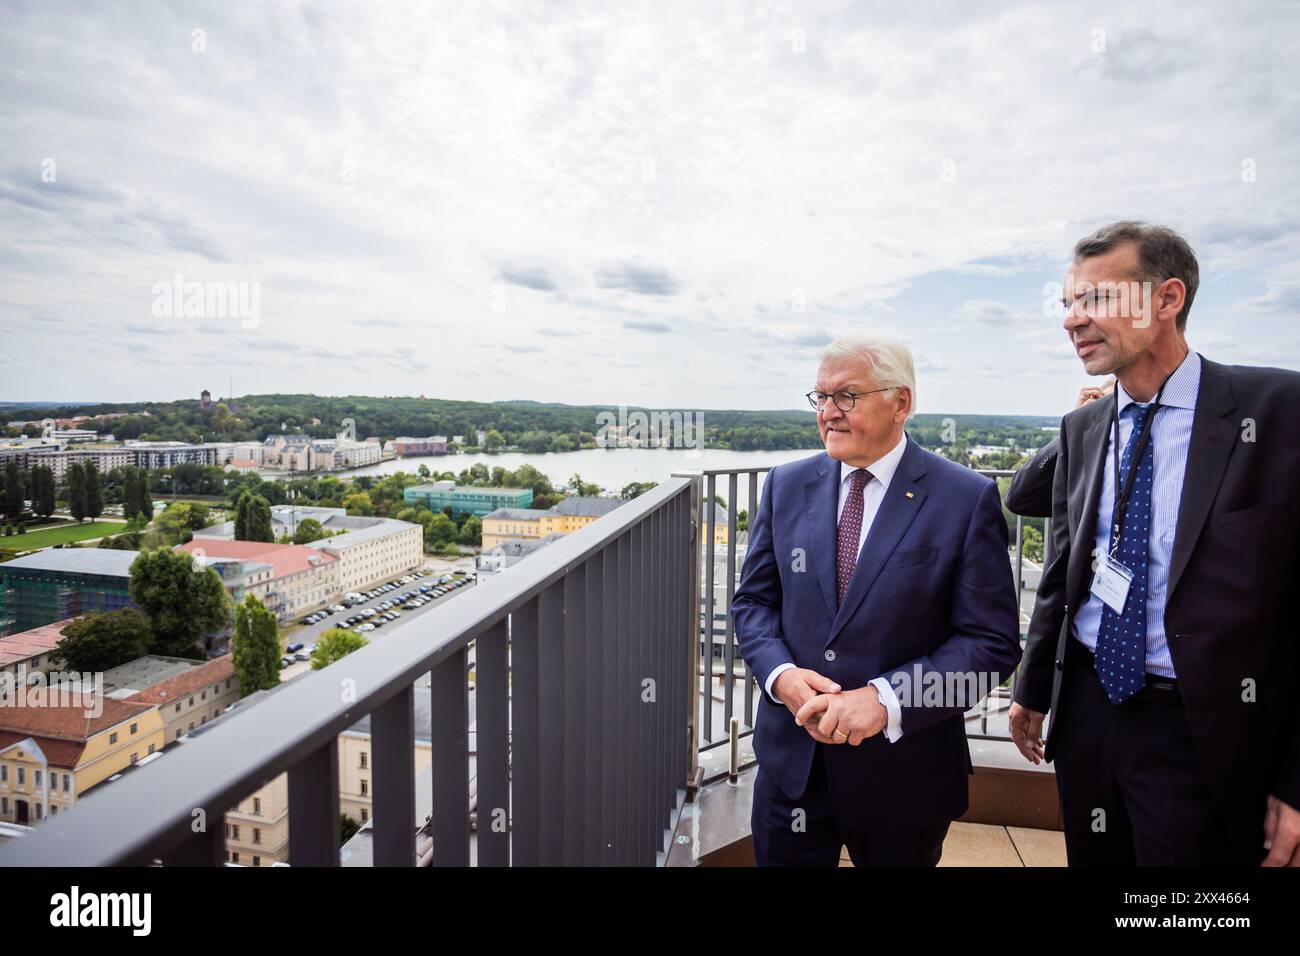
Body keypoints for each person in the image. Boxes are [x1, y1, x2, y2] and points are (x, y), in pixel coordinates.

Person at [1009, 221, 1300, 866]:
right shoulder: (1085, 427)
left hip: (1206, 731)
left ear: (1167, 299)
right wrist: (1033, 688)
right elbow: (1063, 569)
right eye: (1068, 304)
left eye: (1097, 300)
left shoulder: (1280, 411)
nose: (1072, 321)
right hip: (1089, 711)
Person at [732, 334, 1021, 866]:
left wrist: (886, 702)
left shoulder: (965, 497)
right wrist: (781, 677)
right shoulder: (785, 485)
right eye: (819, 398)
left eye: (846, 396)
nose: (828, 413)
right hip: (791, 767)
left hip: (903, 775)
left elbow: (991, 645)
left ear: (901, 402)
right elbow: (752, 603)